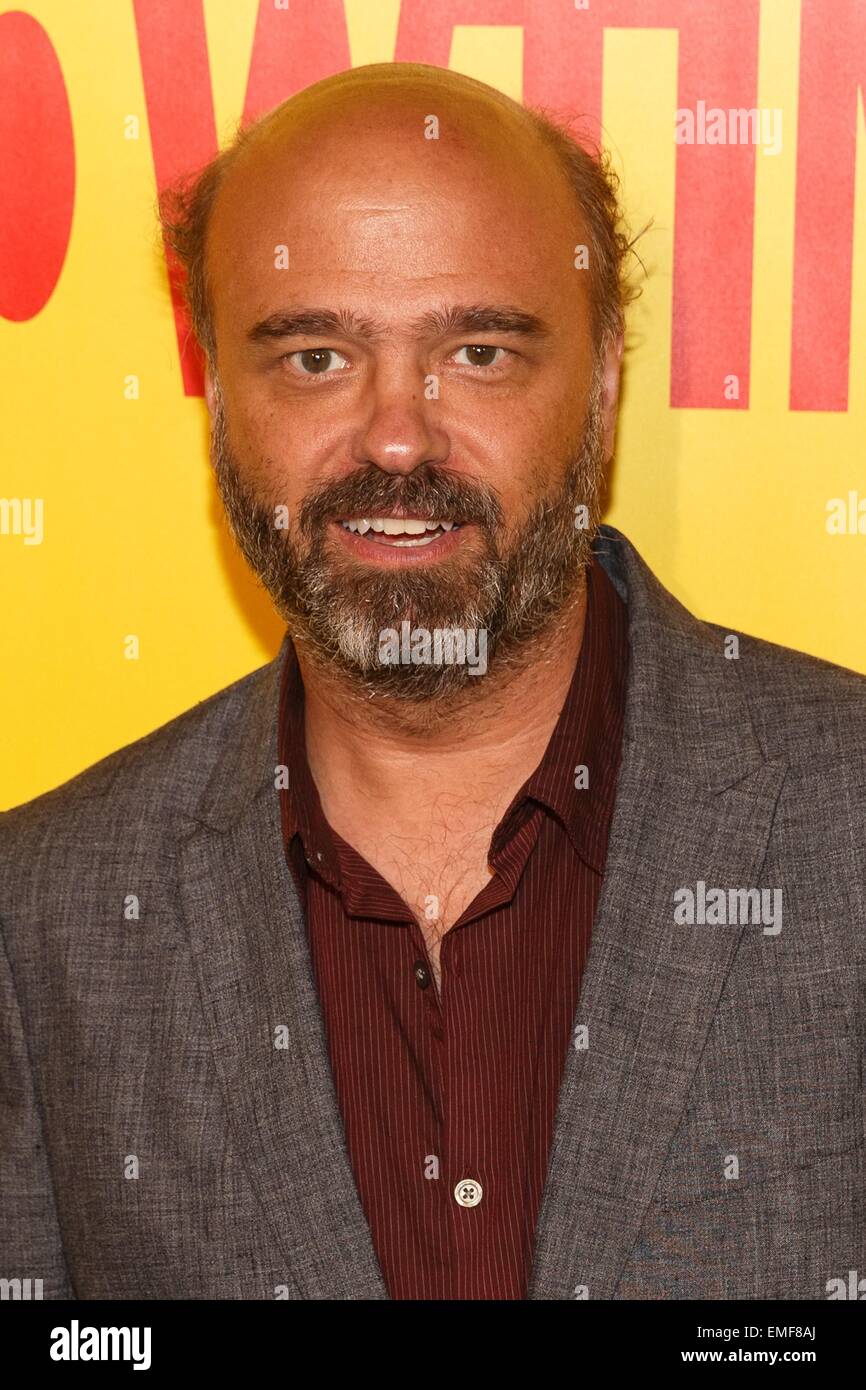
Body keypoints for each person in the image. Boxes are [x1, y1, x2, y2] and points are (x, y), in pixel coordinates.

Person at [1, 62, 863, 1301]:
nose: (396, 436)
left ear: (603, 384)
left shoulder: (845, 823)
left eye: (476, 350)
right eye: (310, 357)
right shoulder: (43, 922)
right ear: (216, 405)